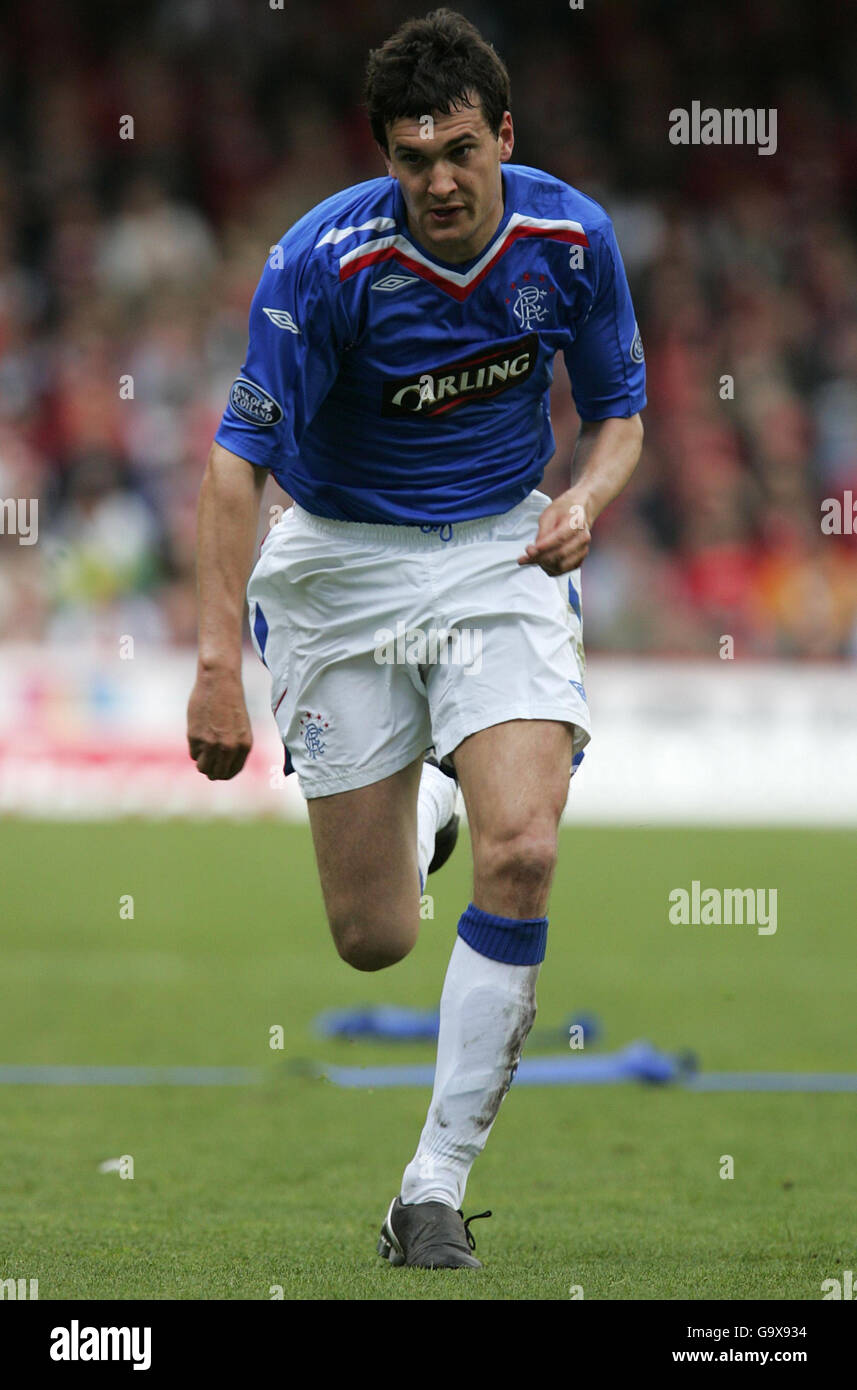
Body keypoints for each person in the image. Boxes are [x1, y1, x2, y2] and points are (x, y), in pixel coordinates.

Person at [187, 7, 645, 1270]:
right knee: (374, 936)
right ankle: (426, 813)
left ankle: (428, 1186)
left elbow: (618, 414)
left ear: (505, 134)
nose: (437, 179)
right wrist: (220, 663)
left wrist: (583, 502)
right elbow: (235, 472)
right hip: (336, 563)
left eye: (457, 150)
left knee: (526, 847)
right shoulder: (319, 263)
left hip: (500, 547)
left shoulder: (571, 240)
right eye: (409, 157)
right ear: (381, 158)